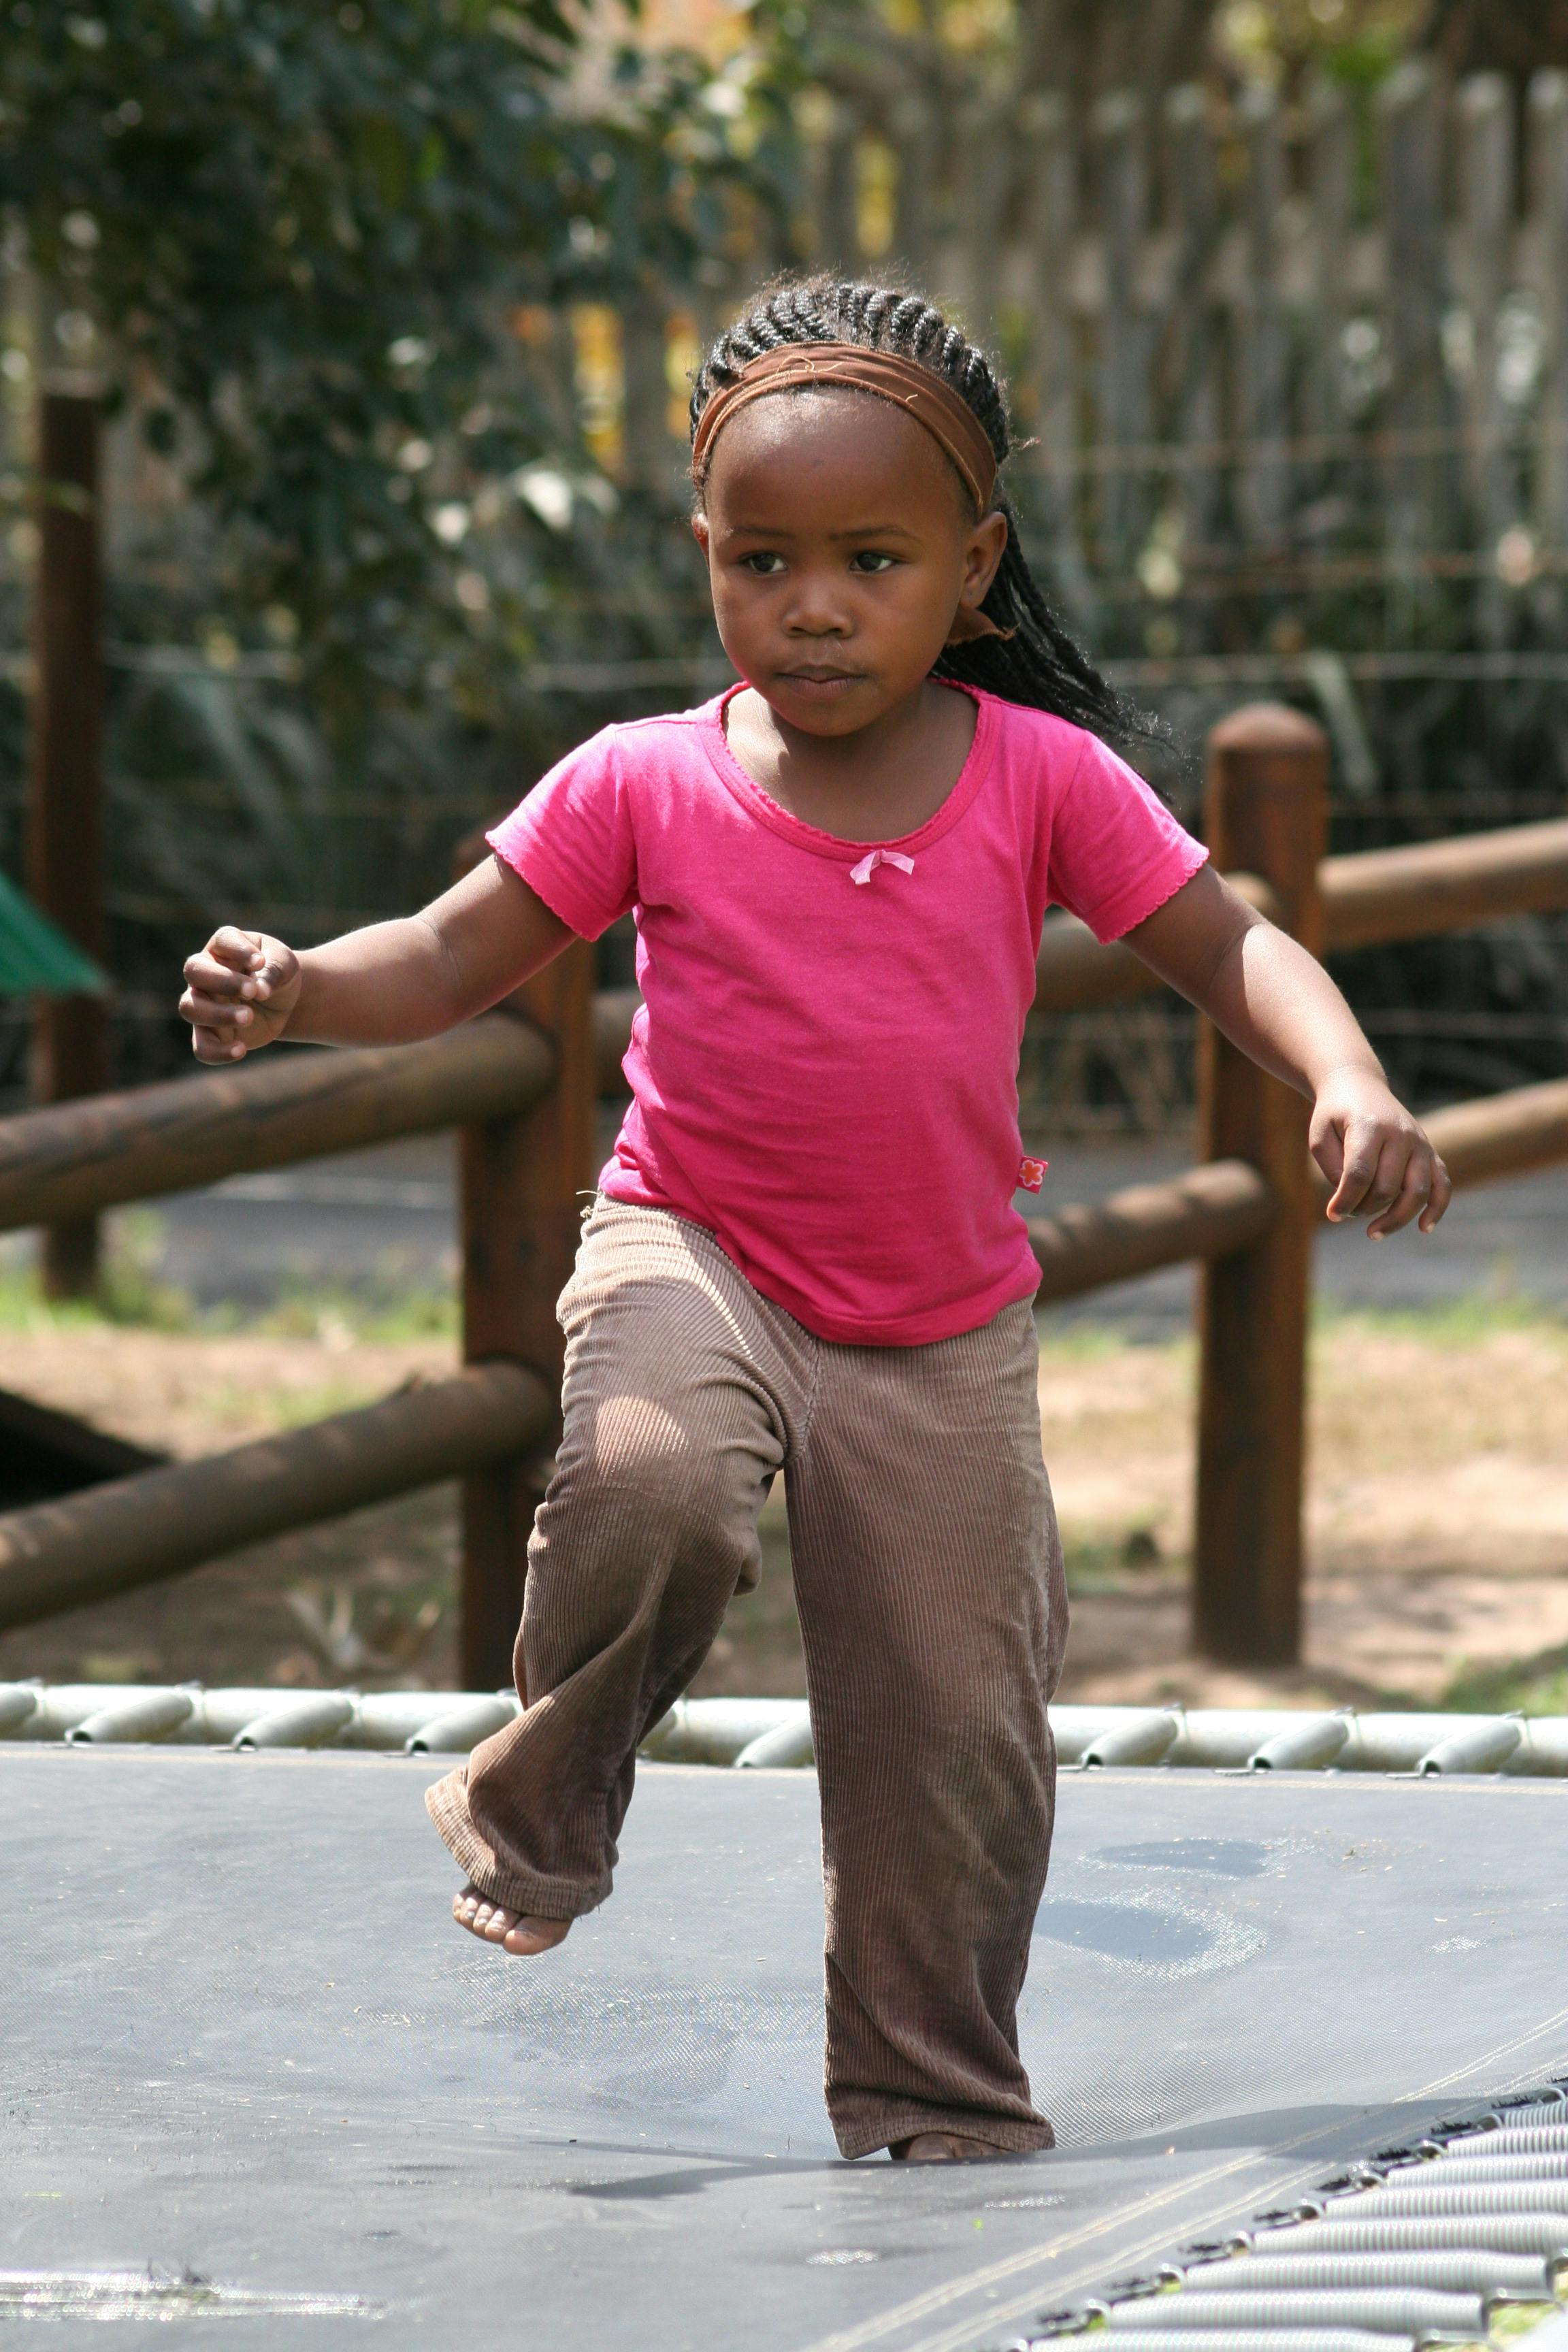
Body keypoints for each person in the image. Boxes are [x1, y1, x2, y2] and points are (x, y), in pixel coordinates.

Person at [178, 276, 1450, 2166]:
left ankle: (932, 2102)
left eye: (873, 558)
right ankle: (549, 1802)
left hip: (939, 1323)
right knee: (647, 1478)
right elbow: (448, 959)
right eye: (765, 561)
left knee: (958, 1729)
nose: (817, 603)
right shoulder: (642, 781)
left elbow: (1227, 940)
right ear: (707, 558)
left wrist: (1341, 1075)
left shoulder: (1040, 776)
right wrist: (303, 986)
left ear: (976, 566)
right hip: (696, 1249)